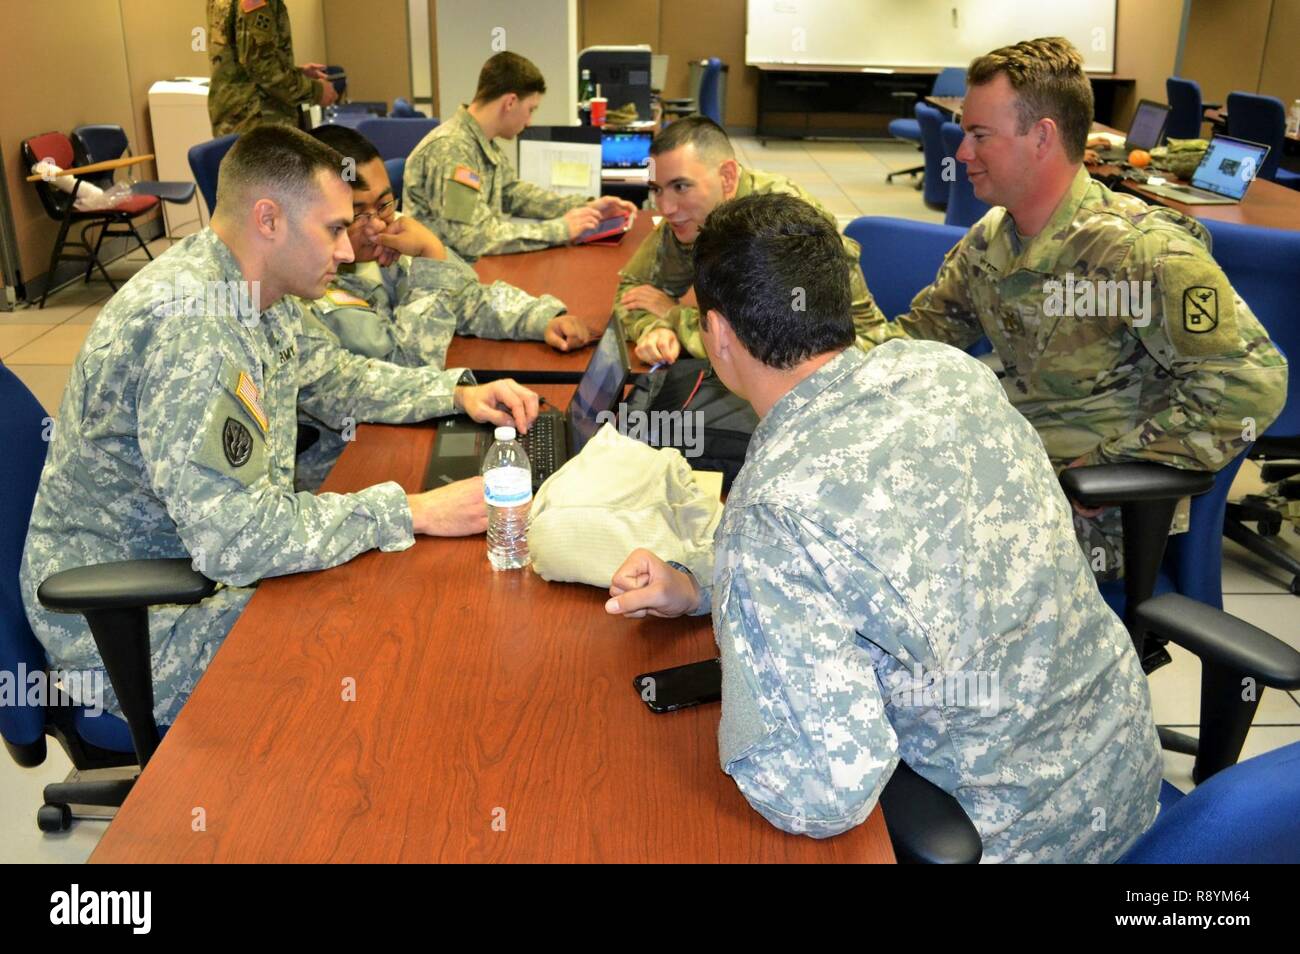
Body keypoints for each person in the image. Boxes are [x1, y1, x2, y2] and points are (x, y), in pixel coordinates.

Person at [604, 192, 1163, 863]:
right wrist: (700, 579)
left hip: (1019, 841)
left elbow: (819, 795)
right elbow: (871, 541)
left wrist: (742, 630)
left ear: (718, 336)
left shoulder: (776, 507)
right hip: (1131, 782)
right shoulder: (949, 374)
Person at [21, 125, 539, 726]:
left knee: (402, 599)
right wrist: (415, 511)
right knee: (392, 651)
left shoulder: (253, 291)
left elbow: (336, 380)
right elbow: (235, 539)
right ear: (268, 219)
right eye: (335, 229)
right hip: (134, 621)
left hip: (198, 567)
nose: (349, 253)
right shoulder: (194, 328)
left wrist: (457, 392)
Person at [871, 37, 1287, 598]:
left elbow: (1252, 383)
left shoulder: (1140, 252)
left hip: (1093, 513)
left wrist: (1111, 468)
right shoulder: (994, 239)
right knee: (856, 506)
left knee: (897, 562)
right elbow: (919, 339)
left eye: (979, 135)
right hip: (1014, 467)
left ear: (1041, 137)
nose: (961, 153)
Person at [306, 124, 592, 366]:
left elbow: (466, 299)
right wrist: (431, 254)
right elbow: (407, 365)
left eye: (384, 204)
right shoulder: (312, 290)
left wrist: (541, 320)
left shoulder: (395, 236)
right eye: (357, 214)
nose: (378, 225)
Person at [612, 116, 888, 365]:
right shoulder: (690, 217)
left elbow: (776, 339)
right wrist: (653, 329)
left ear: (727, 177)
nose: (666, 207)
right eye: (657, 189)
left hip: (849, 356)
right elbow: (633, 291)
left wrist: (673, 316)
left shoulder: (780, 223)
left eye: (680, 186)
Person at [403, 51, 636, 260]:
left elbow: (513, 194)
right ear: (511, 102)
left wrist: (588, 207)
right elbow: (473, 238)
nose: (529, 121)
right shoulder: (451, 149)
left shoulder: (482, 143)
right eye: (531, 109)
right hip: (442, 284)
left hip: (472, 270)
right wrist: (561, 229)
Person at [206, 0, 338, 136]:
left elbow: (244, 60)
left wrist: (296, 72)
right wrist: (316, 91)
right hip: (259, 123)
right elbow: (263, 68)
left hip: (235, 119)